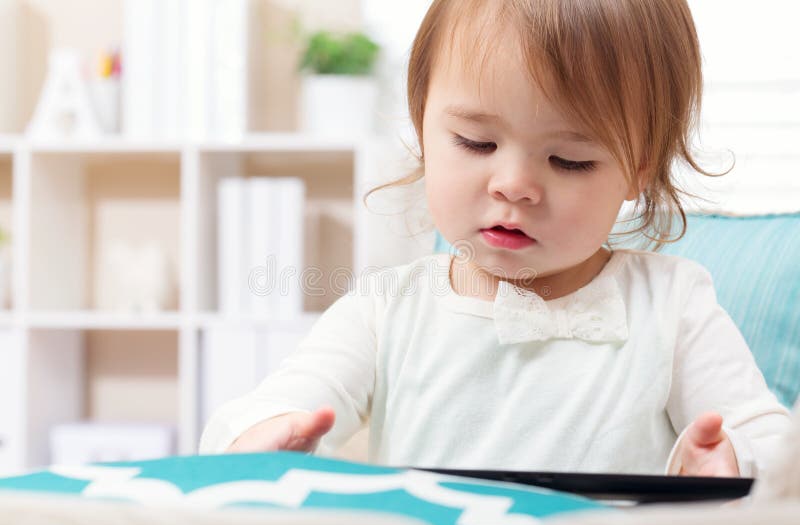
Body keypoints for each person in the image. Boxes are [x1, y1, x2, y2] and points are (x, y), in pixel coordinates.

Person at [200, 0, 790, 476]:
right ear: (423, 121)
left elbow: (770, 438)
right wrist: (259, 438)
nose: (514, 185)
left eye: (569, 160)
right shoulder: (384, 308)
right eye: (477, 144)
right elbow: (275, 405)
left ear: (639, 167)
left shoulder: (673, 305)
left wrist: (734, 460)